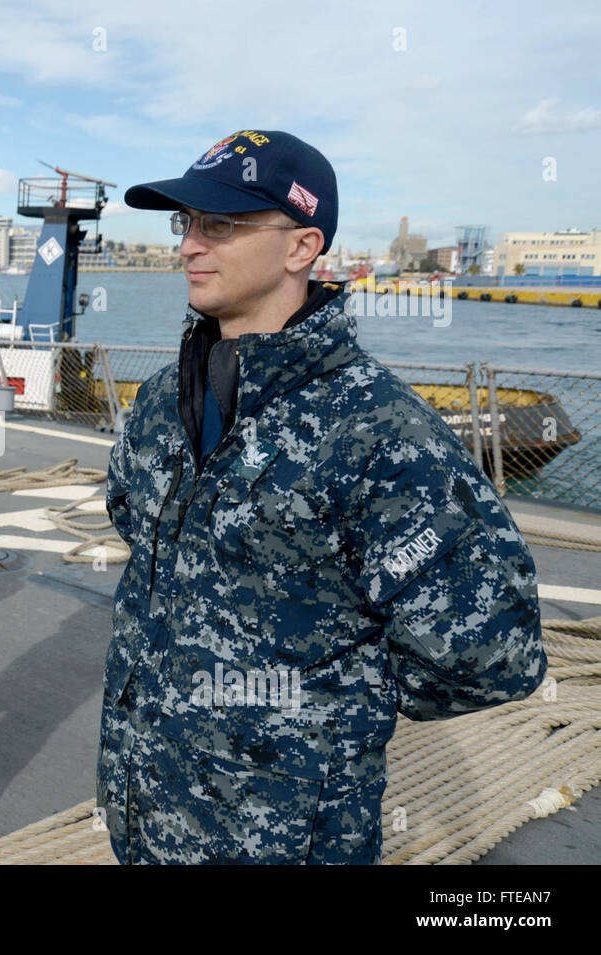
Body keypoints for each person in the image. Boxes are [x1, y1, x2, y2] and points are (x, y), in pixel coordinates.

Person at [99, 129, 548, 865]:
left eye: (219, 224)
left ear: (302, 248)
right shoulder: (159, 401)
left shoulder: (376, 427)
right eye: (185, 223)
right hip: (143, 807)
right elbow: (133, 518)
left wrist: (331, 700)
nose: (188, 245)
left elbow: (491, 649)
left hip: (280, 836)